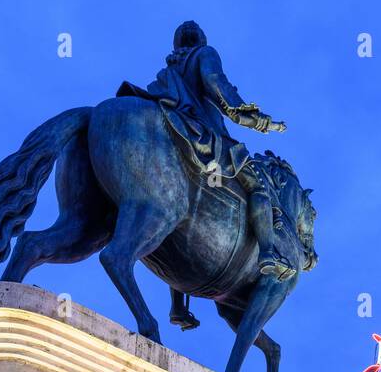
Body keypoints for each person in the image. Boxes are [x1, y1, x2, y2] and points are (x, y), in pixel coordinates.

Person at [124, 20, 294, 319]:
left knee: (173, 206)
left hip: (177, 125)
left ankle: (178, 305)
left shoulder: (172, 66)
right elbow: (219, 87)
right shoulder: (205, 54)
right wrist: (256, 120)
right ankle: (268, 251)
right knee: (257, 186)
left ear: (178, 43)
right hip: (205, 133)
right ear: (200, 39)